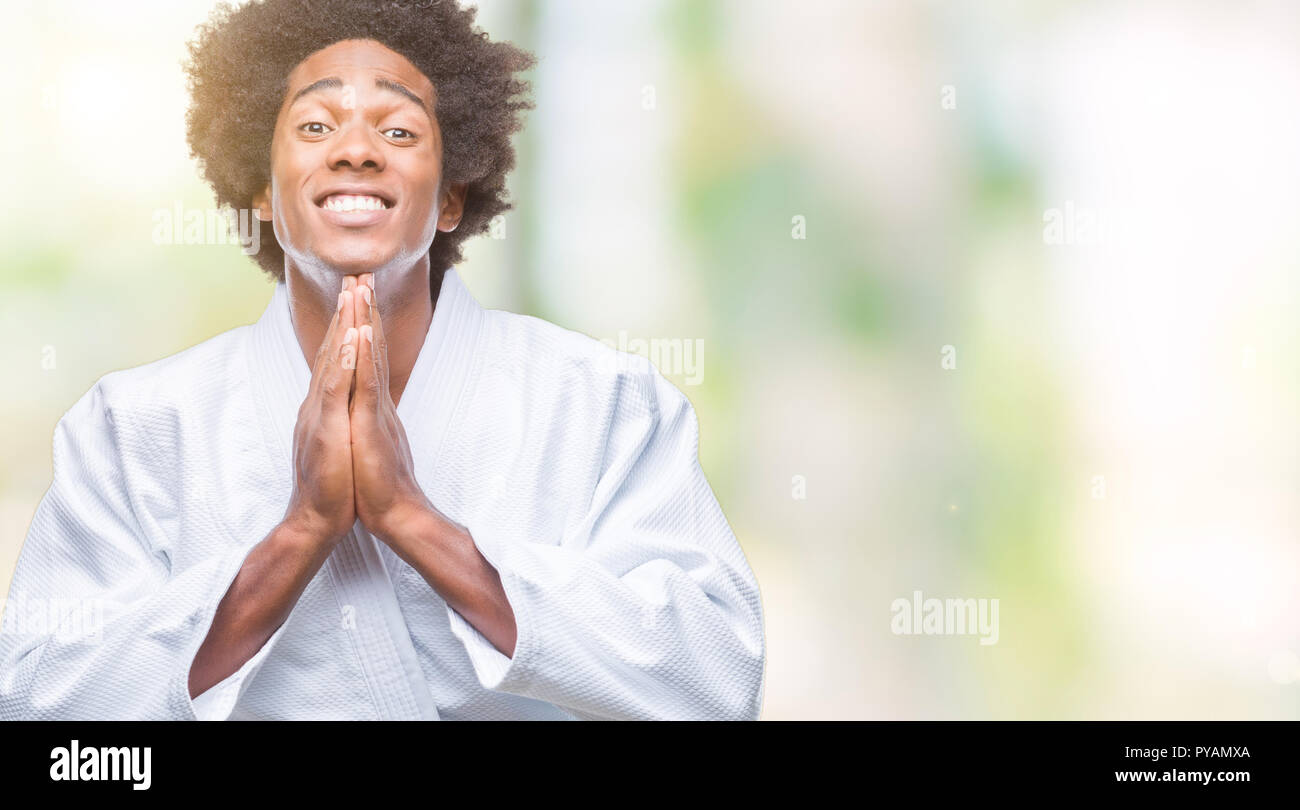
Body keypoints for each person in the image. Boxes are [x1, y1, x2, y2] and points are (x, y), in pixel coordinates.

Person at [0, 0, 766, 720]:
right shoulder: (132, 429)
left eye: (398, 132)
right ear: (262, 189)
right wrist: (301, 531)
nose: (357, 151)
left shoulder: (602, 404)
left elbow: (716, 679)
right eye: (315, 124)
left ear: (452, 197)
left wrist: (412, 519)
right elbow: (34, 702)